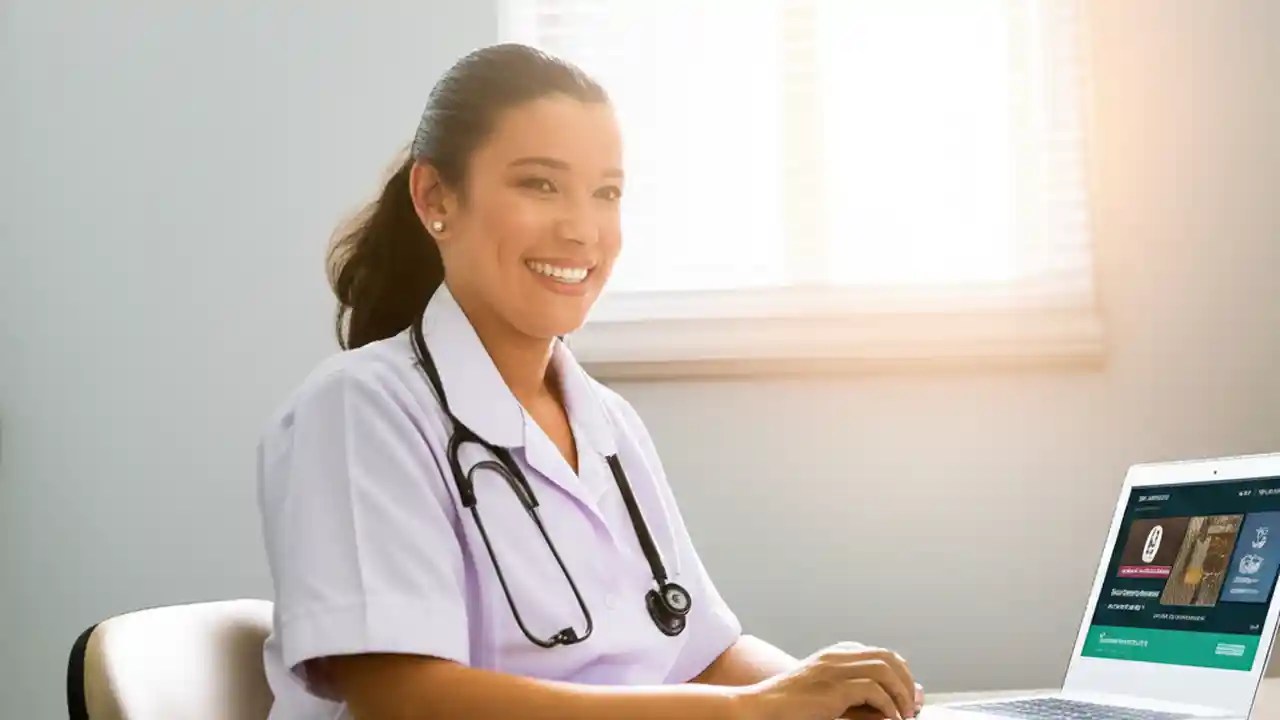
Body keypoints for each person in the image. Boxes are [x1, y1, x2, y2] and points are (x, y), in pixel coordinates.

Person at [256, 42, 925, 720]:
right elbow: (404, 697)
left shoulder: (606, 424)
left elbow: (703, 654)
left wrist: (837, 697)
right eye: (539, 184)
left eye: (606, 193)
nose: (583, 229)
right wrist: (749, 711)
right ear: (436, 197)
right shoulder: (360, 408)